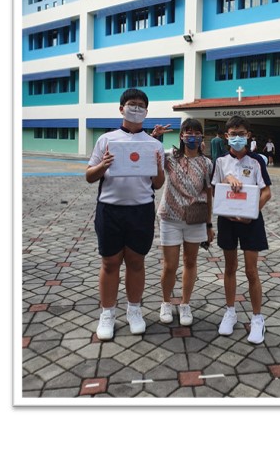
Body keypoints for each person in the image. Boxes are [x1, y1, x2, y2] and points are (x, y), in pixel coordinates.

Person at [85, 88, 169, 340]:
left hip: (141, 210)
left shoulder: (154, 144)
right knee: (110, 263)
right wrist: (103, 165)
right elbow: (89, 176)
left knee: (136, 262)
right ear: (121, 108)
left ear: (146, 110)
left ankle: (134, 310)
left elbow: (157, 184)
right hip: (109, 209)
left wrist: (157, 167)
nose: (136, 108)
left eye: (141, 105)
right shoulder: (106, 140)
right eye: (131, 104)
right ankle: (107, 313)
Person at [212, 114, 273, 344]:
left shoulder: (257, 160)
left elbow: (266, 191)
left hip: (251, 222)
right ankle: (230, 312)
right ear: (227, 136)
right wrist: (228, 178)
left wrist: (251, 212)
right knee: (229, 268)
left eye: (241, 133)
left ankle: (257, 319)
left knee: (251, 271)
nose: (237, 137)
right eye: (233, 134)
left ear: (248, 136)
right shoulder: (220, 162)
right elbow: (214, 189)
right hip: (227, 221)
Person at [155, 118, 214, 327]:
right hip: (170, 217)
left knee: (190, 262)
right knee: (169, 265)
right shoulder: (170, 158)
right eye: (188, 132)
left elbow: (209, 194)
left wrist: (209, 224)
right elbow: (149, 156)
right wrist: (155, 137)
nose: (192, 136)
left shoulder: (207, 163)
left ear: (201, 137)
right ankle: (166, 302)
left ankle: (185, 304)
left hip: (195, 219)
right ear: (181, 136)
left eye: (197, 132)